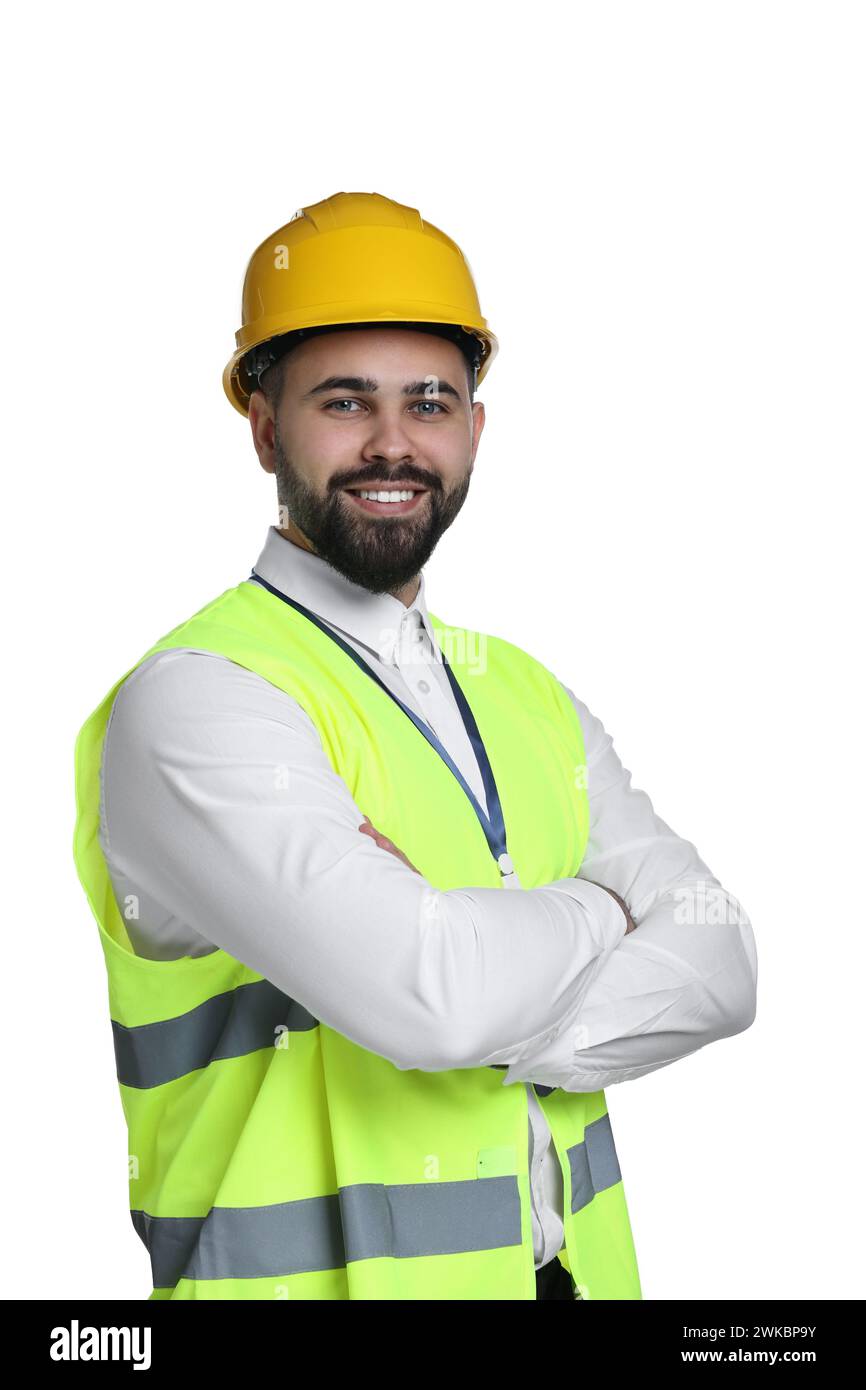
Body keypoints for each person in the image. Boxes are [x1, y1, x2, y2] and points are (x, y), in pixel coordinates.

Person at [72, 191, 758, 1301]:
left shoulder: (527, 695)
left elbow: (722, 964)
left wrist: (485, 979)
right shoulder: (198, 699)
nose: (392, 442)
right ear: (264, 427)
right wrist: (605, 912)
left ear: (474, 429)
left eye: (428, 402)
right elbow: (429, 996)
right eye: (345, 401)